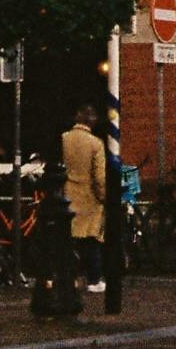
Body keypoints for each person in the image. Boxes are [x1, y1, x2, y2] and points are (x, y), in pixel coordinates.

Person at [59, 103, 108, 290]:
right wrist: (104, 197)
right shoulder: (96, 144)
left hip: (67, 196)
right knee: (90, 240)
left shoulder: (64, 139)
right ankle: (94, 280)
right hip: (89, 198)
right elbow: (99, 177)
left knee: (68, 241)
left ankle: (69, 278)